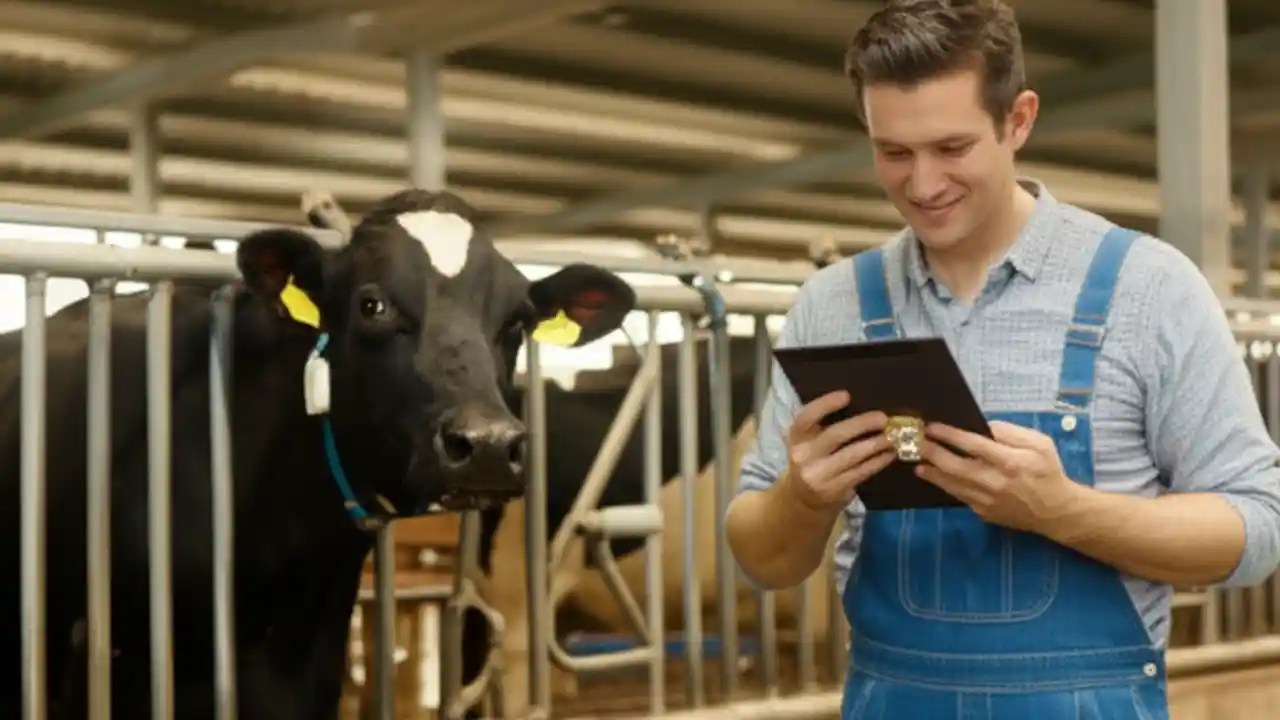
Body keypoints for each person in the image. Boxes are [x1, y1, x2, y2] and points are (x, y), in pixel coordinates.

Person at [724, 0, 1280, 717]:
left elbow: (1259, 526)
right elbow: (762, 559)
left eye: (952, 149)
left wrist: (1064, 511)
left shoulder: (1147, 291)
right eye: (894, 152)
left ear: (1018, 119)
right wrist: (802, 498)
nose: (922, 185)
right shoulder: (833, 306)